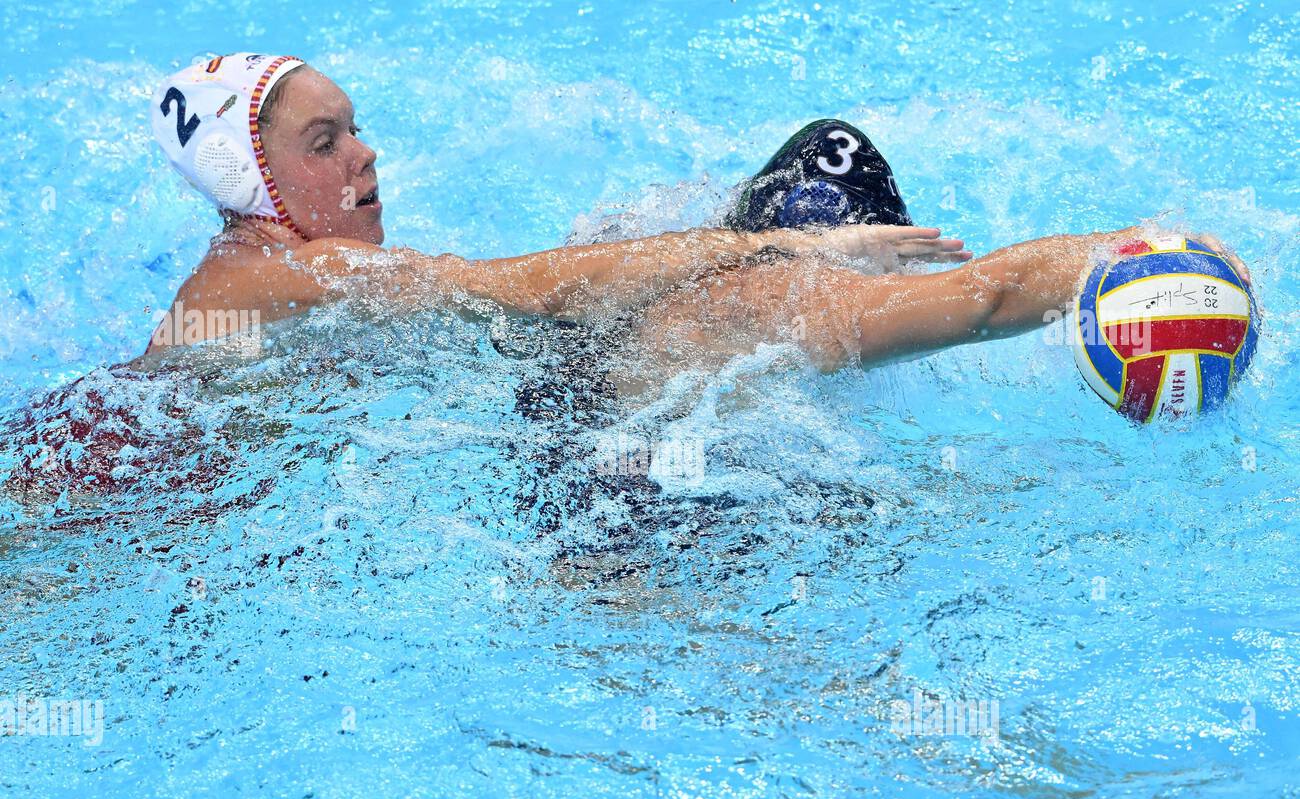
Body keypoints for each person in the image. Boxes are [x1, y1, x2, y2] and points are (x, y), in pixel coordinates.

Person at [141, 53, 1249, 376]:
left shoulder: (263, 280)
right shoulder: (268, 278)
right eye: (325, 143)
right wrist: (1144, 252)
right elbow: (986, 296)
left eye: (356, 126)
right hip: (638, 538)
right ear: (252, 183)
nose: (367, 153)